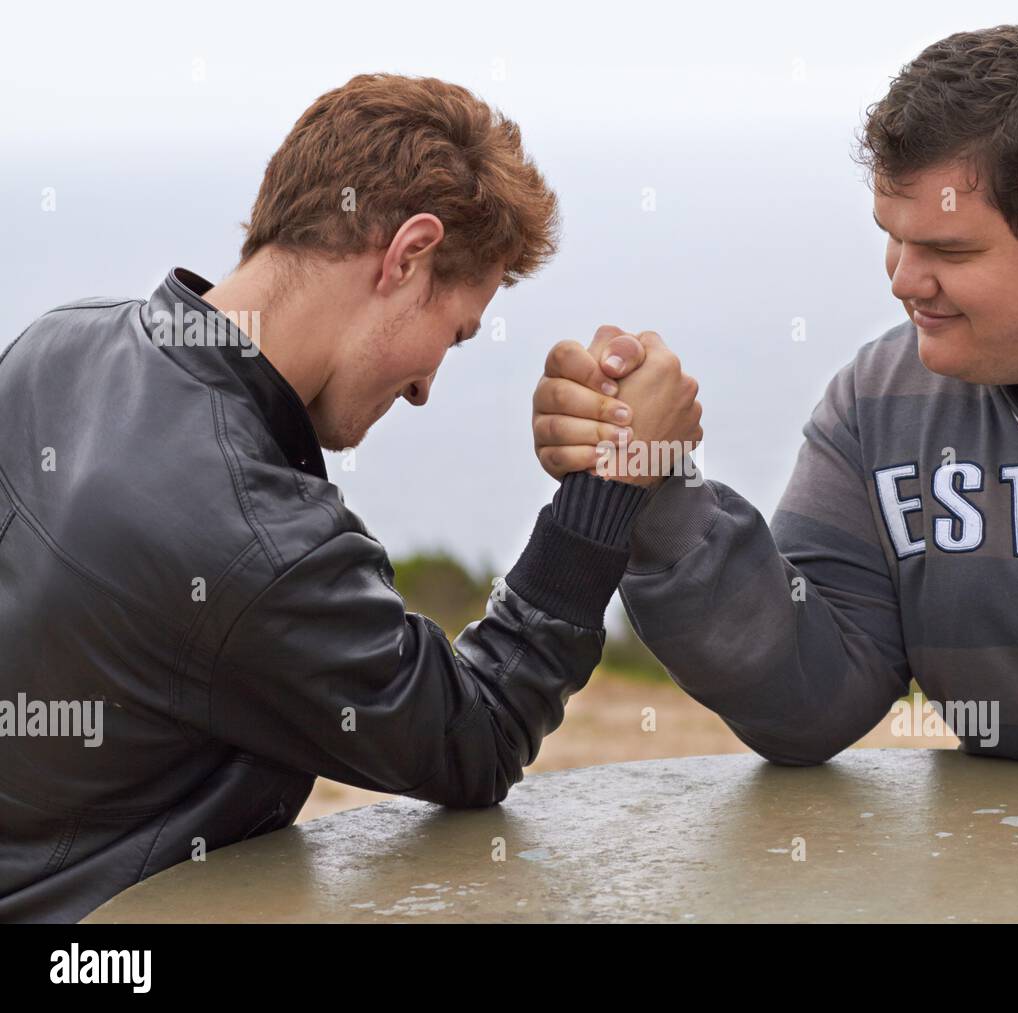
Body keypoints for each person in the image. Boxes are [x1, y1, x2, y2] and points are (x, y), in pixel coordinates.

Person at [0, 73, 700, 923]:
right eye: (455, 333)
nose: (427, 387)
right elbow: (474, 737)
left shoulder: (52, 346)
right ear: (407, 254)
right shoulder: (256, 539)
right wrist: (610, 484)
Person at [534, 25, 1018, 785]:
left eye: (948, 250)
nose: (902, 279)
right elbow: (804, 697)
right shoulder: (878, 405)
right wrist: (658, 487)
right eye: (893, 238)